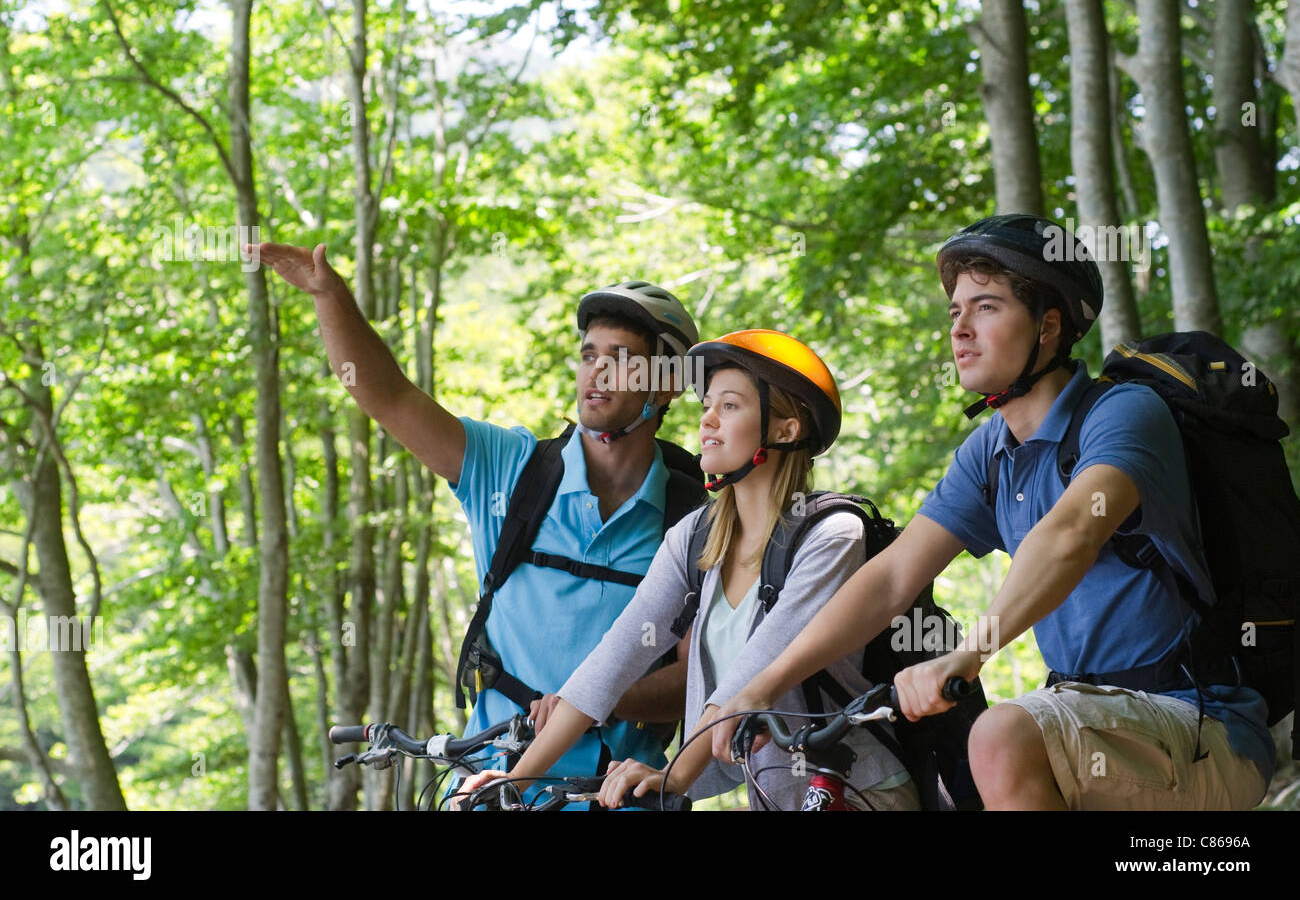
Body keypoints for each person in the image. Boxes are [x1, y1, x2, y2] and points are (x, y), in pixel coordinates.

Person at [711, 214, 1274, 810]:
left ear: (1048, 325)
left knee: (1001, 735)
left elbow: (1072, 533)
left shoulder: (1124, 413)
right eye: (955, 312)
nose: (960, 330)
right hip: (1097, 725)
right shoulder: (991, 453)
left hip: (1200, 725)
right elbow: (890, 579)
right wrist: (762, 685)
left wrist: (969, 652)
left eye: (985, 307)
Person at [253, 241, 704, 792]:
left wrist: (595, 697)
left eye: (621, 358)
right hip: (484, 780)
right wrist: (330, 295)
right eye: (589, 355)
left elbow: (699, 676)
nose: (598, 372)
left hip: (616, 792)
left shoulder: (692, 514)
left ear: (666, 384)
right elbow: (387, 396)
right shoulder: (512, 469)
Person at [458, 329, 919, 810]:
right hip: (774, 799)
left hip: (862, 793)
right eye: (706, 406)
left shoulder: (831, 535)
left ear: (786, 429)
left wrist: (673, 775)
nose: (707, 421)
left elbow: (753, 676)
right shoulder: (695, 537)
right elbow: (609, 664)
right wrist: (515, 779)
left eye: (731, 406)